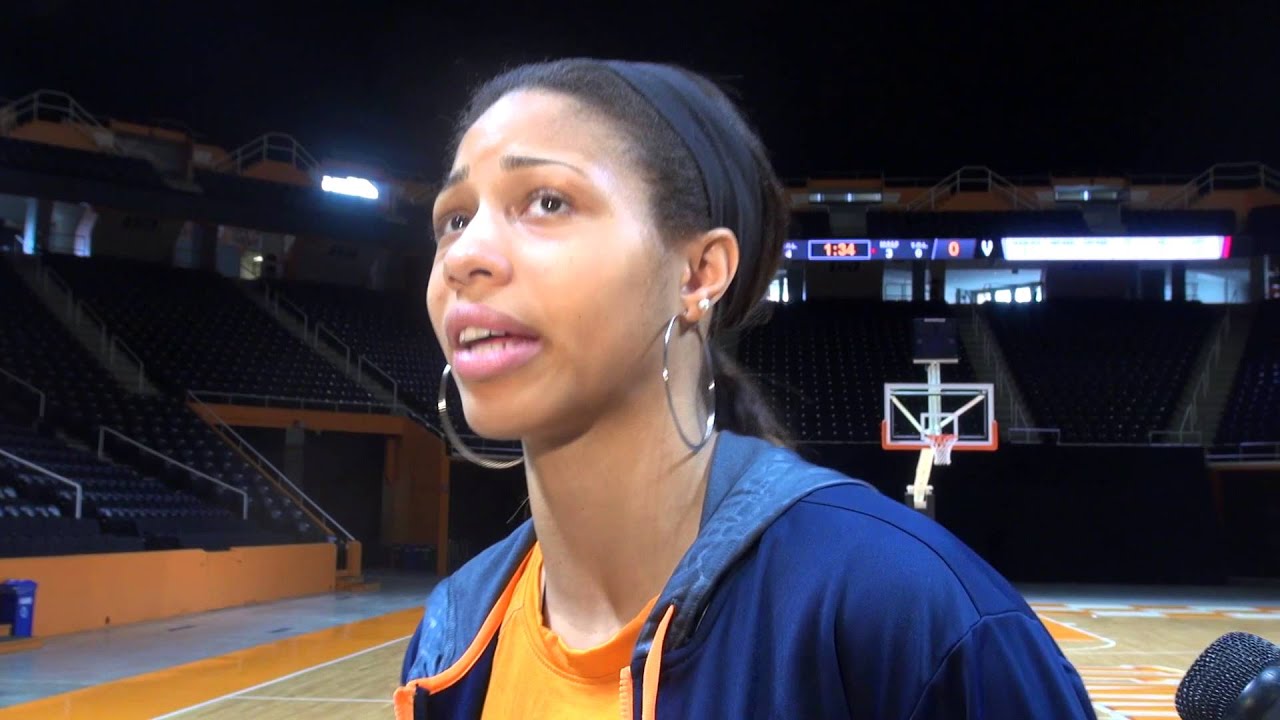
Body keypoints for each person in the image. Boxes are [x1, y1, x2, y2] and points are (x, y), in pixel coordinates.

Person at [397, 58, 1097, 720]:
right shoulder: (454, 631)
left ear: (700, 274)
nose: (463, 256)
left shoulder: (904, 610)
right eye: (454, 218)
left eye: (547, 201)